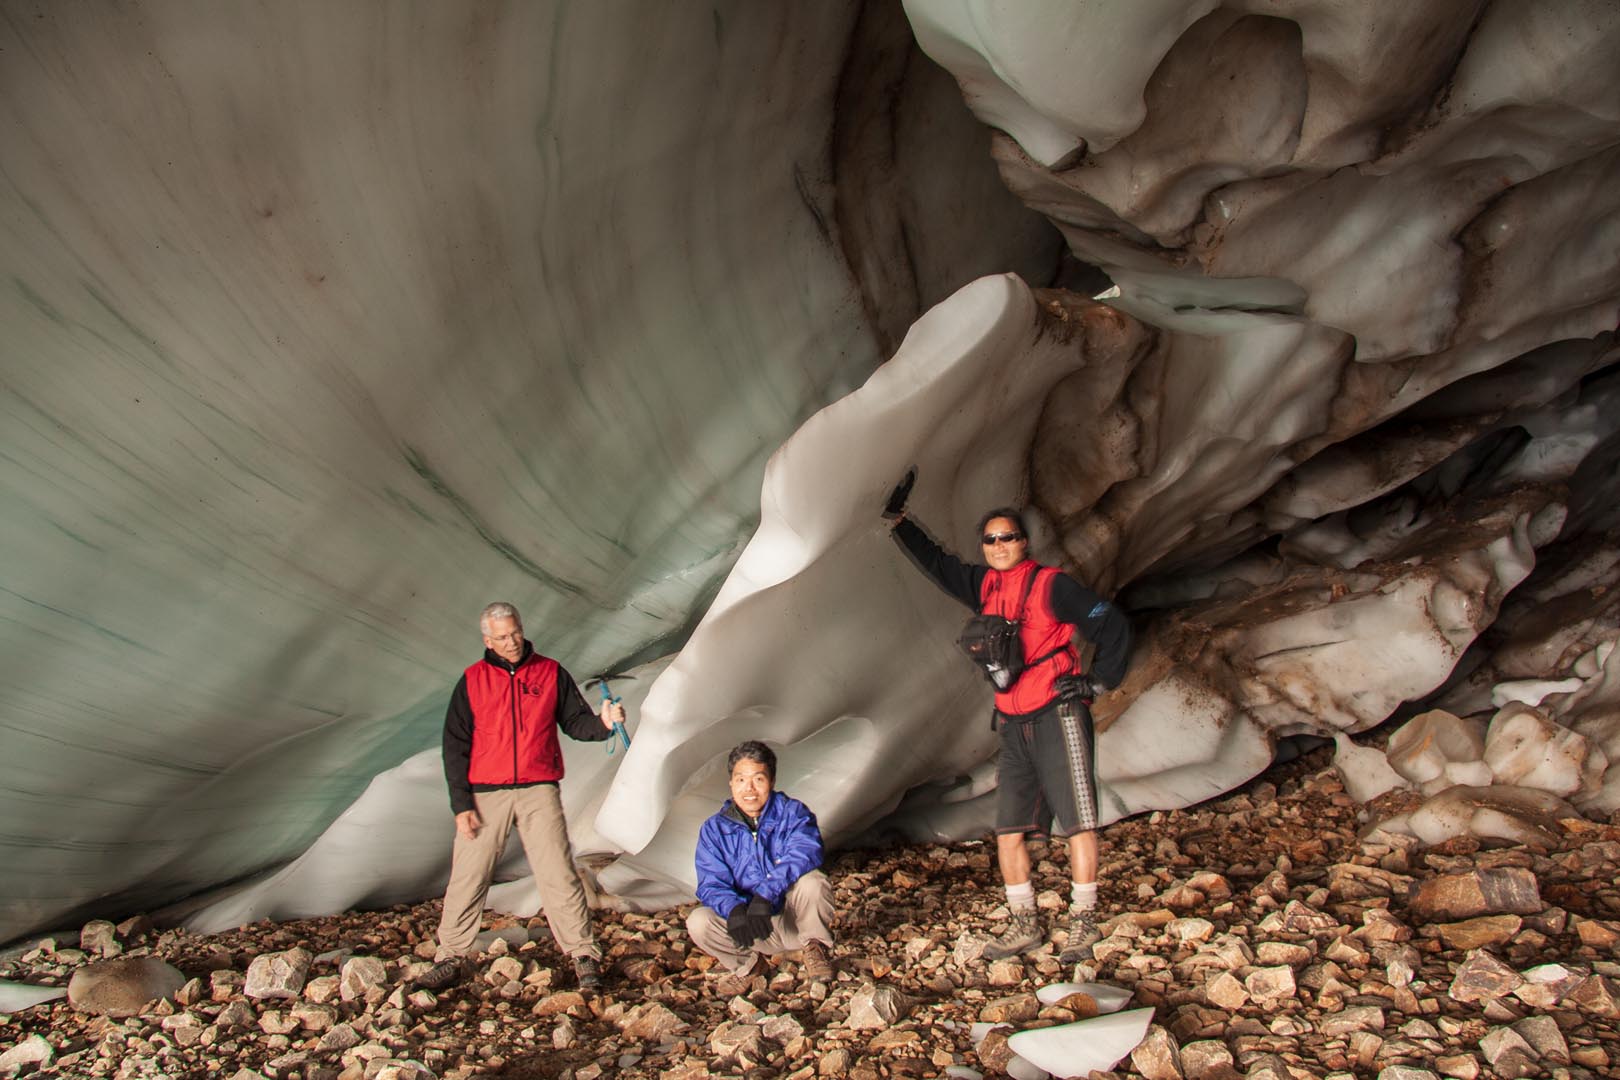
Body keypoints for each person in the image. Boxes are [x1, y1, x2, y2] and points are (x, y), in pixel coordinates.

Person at [885, 475, 1131, 963]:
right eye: (991, 539)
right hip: (1014, 724)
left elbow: (1111, 622)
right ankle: (1026, 927)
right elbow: (939, 565)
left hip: (1058, 714)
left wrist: (1098, 681)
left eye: (1008, 537)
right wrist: (899, 521)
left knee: (1078, 822)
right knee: (1010, 830)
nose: (999, 545)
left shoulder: (1052, 585)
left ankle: (1083, 926)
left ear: (1024, 542)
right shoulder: (985, 585)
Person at [416, 601, 624, 991]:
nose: (511, 642)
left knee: (558, 872)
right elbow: (455, 744)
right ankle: (451, 957)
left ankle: (583, 954)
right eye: (501, 637)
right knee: (467, 875)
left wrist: (604, 724)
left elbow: (576, 723)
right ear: (487, 640)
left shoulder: (549, 672)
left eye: (514, 633)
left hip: (537, 788)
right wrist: (461, 804)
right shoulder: (473, 680)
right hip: (484, 794)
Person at [687, 741, 835, 994]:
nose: (750, 789)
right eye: (741, 779)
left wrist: (766, 895)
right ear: (731, 783)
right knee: (699, 922)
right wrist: (734, 910)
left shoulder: (793, 813)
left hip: (793, 923)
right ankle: (750, 966)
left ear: (772, 780)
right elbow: (711, 882)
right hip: (752, 929)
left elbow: (805, 852)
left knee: (813, 882)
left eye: (758, 779)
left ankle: (814, 947)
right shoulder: (714, 829)